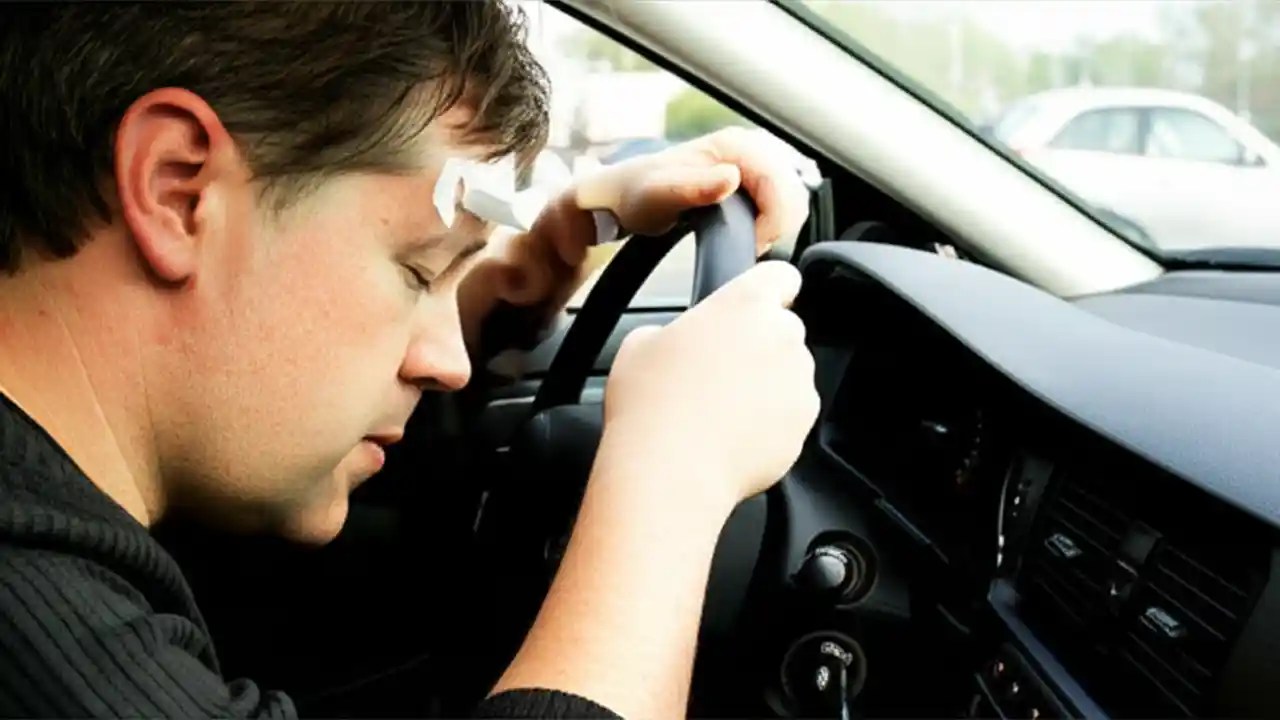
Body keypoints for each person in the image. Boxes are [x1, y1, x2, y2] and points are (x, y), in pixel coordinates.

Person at [0, 3, 819, 719]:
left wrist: (535, 262)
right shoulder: (40, 624)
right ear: (179, 191)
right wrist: (669, 482)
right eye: (418, 271)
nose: (451, 364)